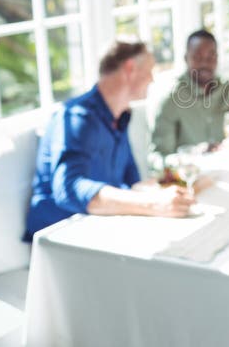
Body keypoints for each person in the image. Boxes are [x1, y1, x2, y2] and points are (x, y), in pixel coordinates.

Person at [24, 39, 195, 240]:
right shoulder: (76, 117)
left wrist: (174, 188)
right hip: (59, 237)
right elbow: (68, 189)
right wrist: (153, 204)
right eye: (149, 70)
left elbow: (133, 183)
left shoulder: (121, 117)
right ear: (130, 68)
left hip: (102, 227)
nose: (152, 79)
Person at [151, 30, 229, 156]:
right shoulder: (171, 99)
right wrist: (191, 155)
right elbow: (160, 157)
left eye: (211, 56)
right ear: (186, 58)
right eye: (197, 57)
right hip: (190, 173)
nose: (205, 63)